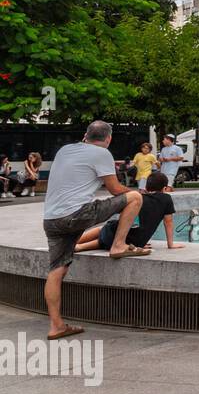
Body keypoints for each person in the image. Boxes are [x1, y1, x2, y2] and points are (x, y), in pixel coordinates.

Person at [41, 122, 148, 340]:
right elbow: (115, 189)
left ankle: (56, 326)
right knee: (135, 198)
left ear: (85, 136)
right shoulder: (102, 153)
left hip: (52, 219)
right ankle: (118, 245)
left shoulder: (65, 150)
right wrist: (137, 191)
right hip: (77, 214)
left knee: (57, 270)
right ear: (108, 139)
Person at [73, 171, 183, 255]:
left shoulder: (138, 199)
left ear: (146, 188)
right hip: (137, 241)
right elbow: (168, 222)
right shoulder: (166, 199)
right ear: (164, 188)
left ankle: (74, 242)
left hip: (118, 236)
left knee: (103, 229)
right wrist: (170, 244)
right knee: (105, 240)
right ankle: (80, 247)